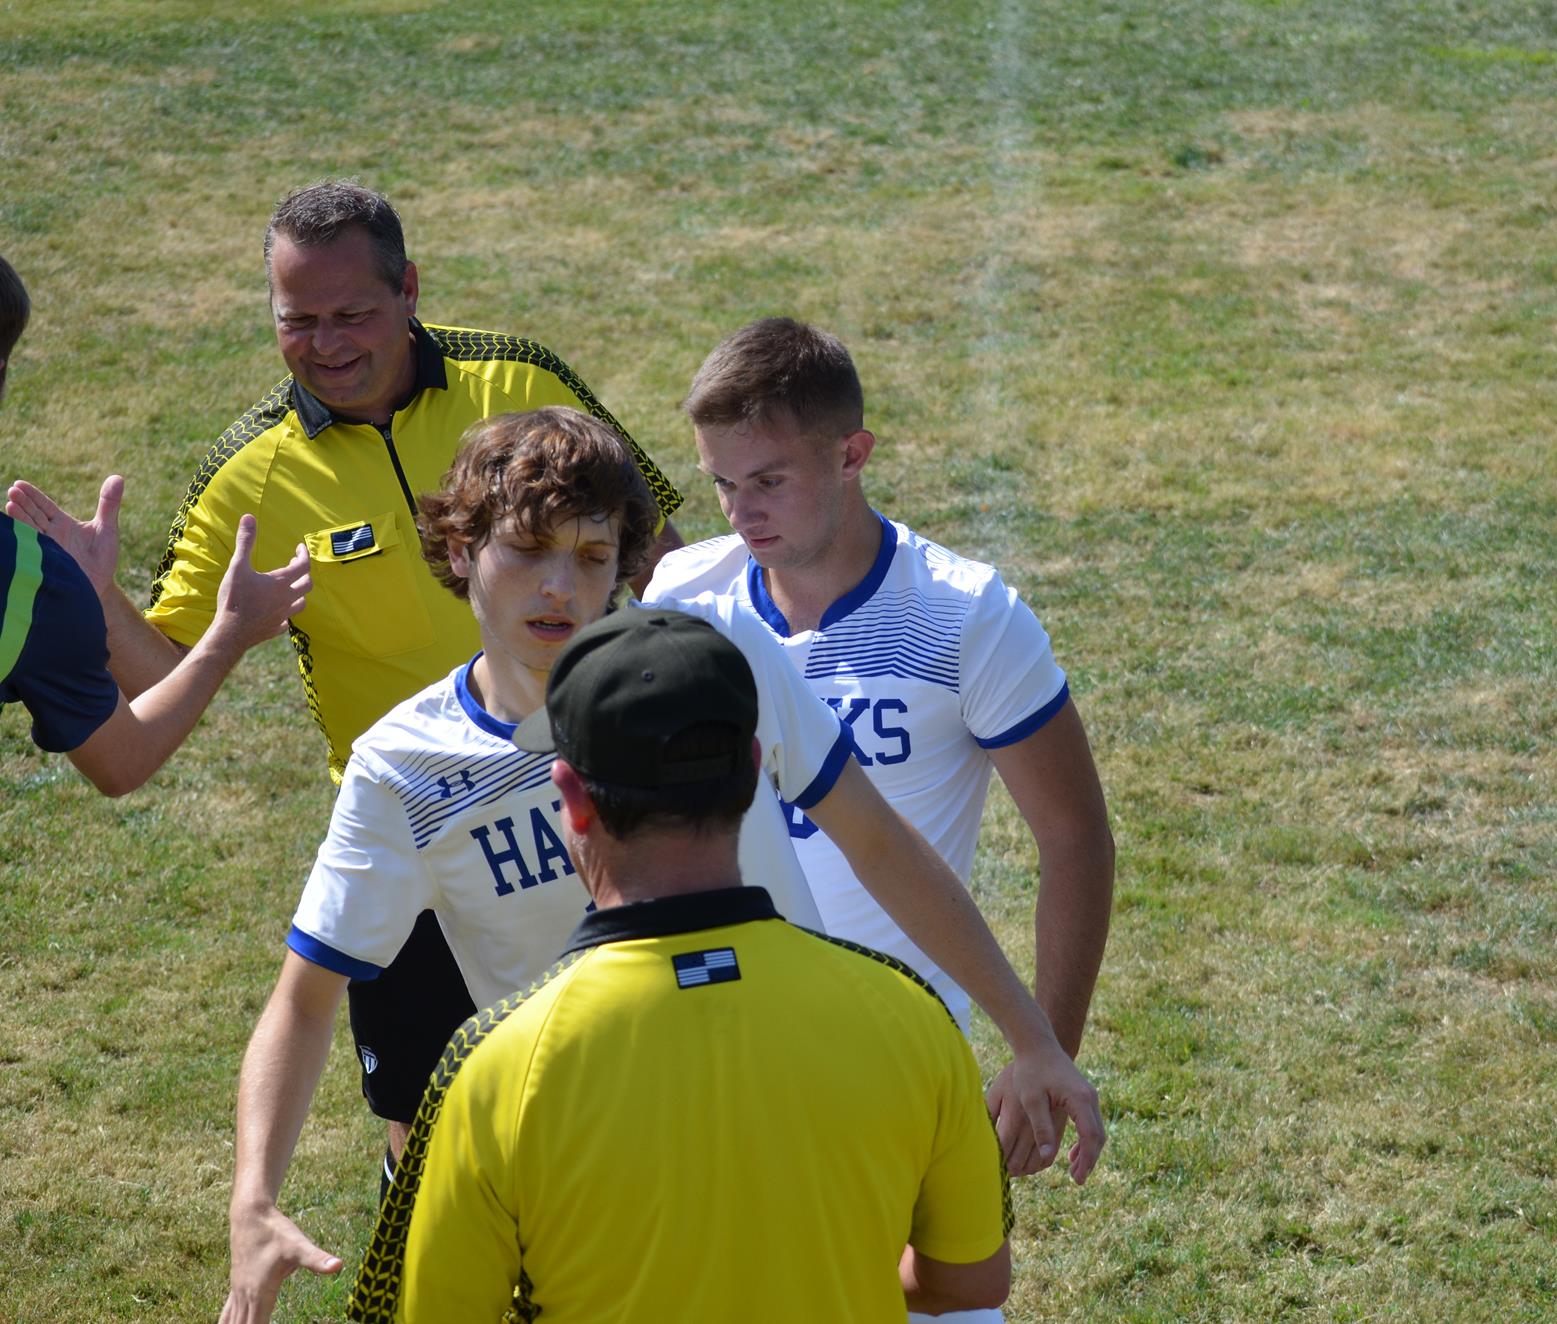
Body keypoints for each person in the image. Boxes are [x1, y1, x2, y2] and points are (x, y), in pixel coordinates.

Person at [223, 408, 1097, 1324]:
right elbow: (305, 995)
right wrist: (254, 1199)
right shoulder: (406, 767)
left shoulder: (716, 669)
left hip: (784, 1092)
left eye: (593, 557)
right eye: (528, 550)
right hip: (596, 1143)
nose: (561, 587)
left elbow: (876, 841)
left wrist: (1032, 1037)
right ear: (458, 551)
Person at [7, 183, 684, 1174]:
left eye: (353, 314)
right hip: (412, 829)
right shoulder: (252, 473)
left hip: (593, 802)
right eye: (298, 322)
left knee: (644, 1079)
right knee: (433, 1123)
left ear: (407, 291)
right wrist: (100, 598)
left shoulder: (517, 379)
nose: (326, 344)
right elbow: (163, 673)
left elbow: (661, 551)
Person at [346, 609, 1011, 1322]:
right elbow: (970, 1281)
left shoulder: (490, 1067)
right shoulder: (909, 1014)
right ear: (753, 772)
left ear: (570, 797)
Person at [646, 318, 1115, 1196]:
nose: (742, 512)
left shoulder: (966, 613)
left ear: (852, 454)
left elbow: (1074, 836)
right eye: (721, 483)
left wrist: (1043, 1049)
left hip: (895, 1053)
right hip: (713, 1038)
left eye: (769, 481)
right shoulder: (682, 599)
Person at [1, 254, 310, 795]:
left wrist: (93, 598)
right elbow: (123, 760)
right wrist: (231, 632)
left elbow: (157, 685)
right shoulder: (20, 581)